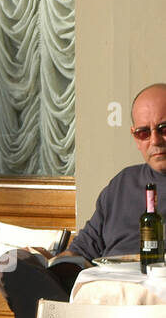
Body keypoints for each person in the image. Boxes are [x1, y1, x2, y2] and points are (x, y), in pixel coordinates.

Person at [54, 83, 166, 263]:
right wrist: (50, 266)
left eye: (164, 129)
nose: (155, 140)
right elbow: (82, 249)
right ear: (135, 137)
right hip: (106, 286)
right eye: (143, 133)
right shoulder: (123, 184)